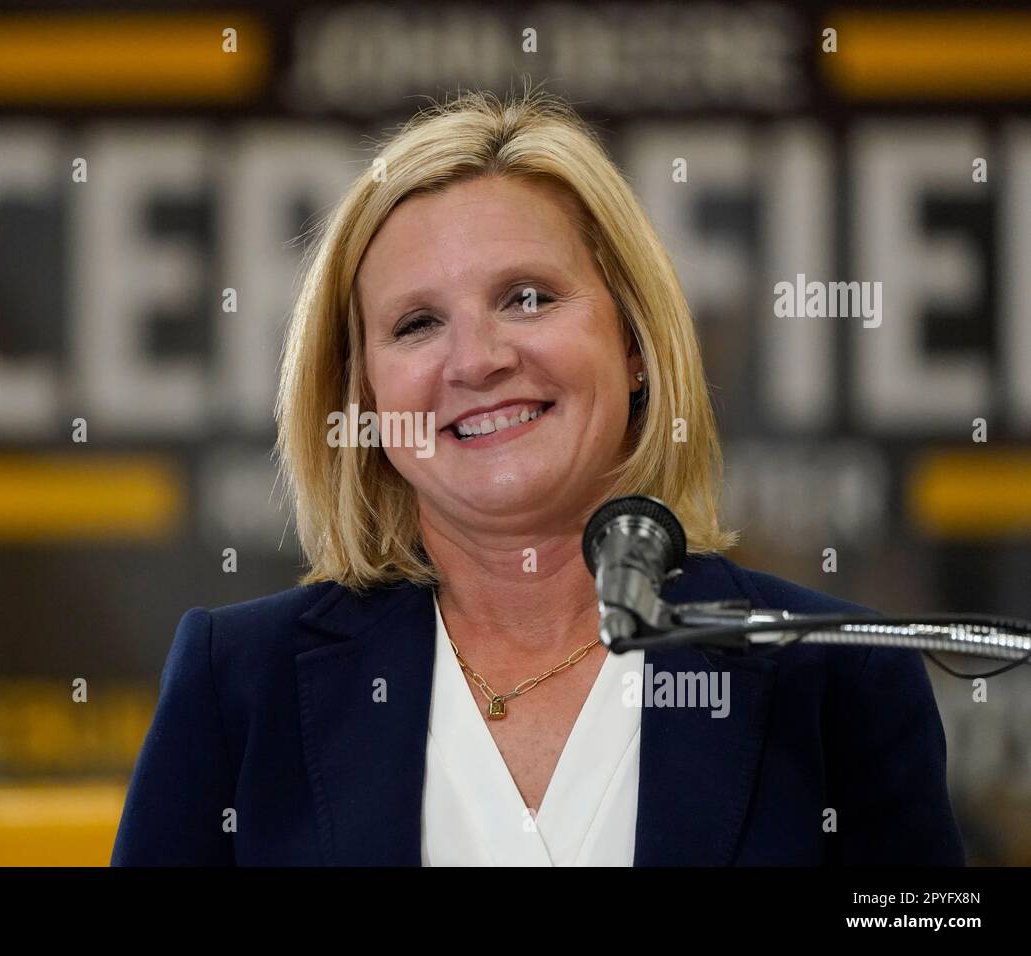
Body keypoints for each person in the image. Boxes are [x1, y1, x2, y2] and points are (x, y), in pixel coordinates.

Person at [111, 88, 964, 866]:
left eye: (527, 297)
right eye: (416, 324)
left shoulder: (836, 679)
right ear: (362, 396)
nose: (477, 361)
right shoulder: (238, 684)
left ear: (634, 343)